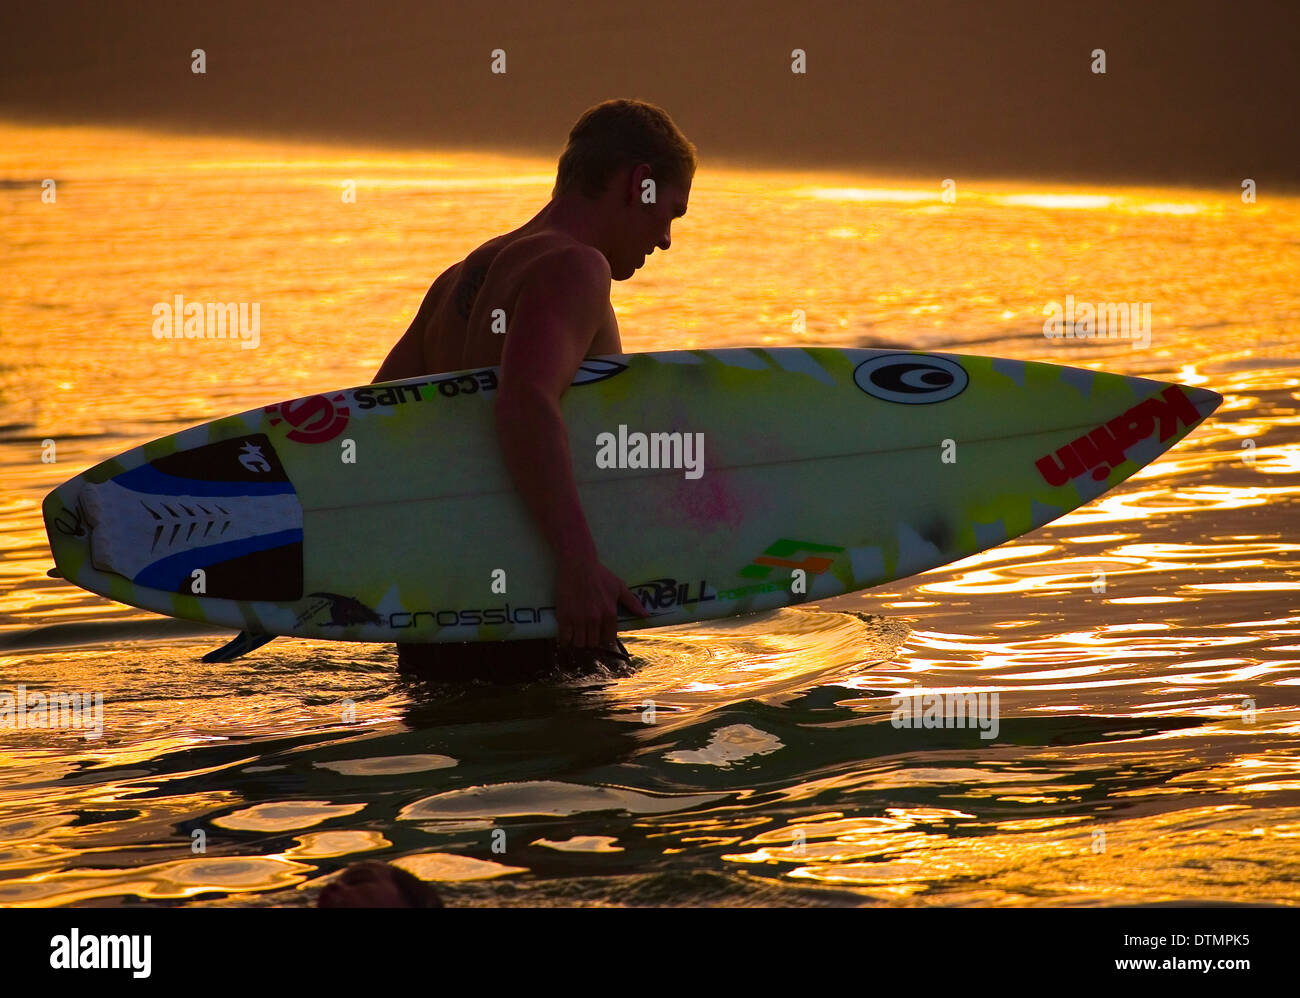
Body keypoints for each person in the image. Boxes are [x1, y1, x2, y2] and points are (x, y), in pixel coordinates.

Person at [374, 98, 696, 681]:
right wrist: (577, 563)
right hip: (540, 609)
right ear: (639, 183)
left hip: (438, 618)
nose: (667, 239)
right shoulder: (575, 267)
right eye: (670, 212)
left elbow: (376, 424)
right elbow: (525, 401)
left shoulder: (459, 280)